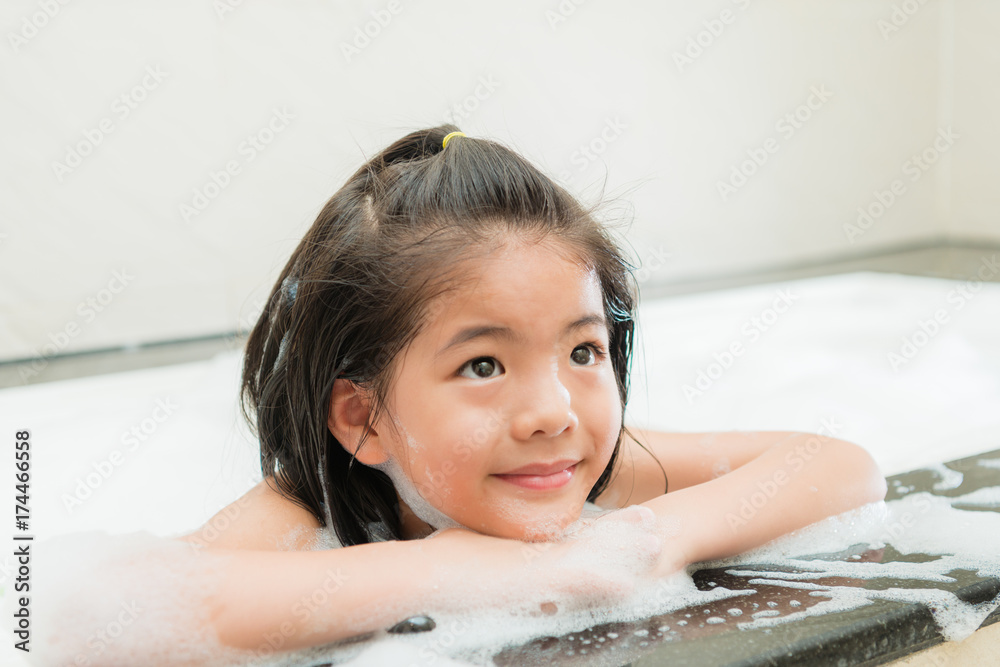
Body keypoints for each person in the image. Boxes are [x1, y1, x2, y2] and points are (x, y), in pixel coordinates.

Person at [171, 125, 886, 658]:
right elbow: (139, 612)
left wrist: (649, 539)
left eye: (583, 351)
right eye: (483, 365)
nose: (553, 411)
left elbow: (840, 465)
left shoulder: (593, 467)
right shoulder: (308, 513)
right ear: (364, 419)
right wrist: (451, 569)